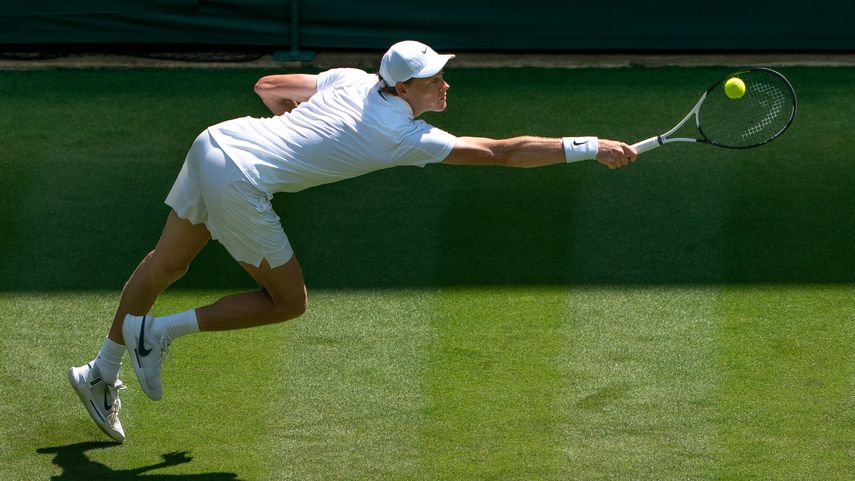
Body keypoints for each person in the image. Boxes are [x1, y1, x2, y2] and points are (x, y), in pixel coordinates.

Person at [68, 40, 637, 442]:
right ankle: (158, 334)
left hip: (217, 142)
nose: (444, 83)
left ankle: (100, 372)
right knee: (288, 302)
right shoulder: (401, 134)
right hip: (240, 178)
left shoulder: (354, 81)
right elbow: (501, 153)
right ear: (405, 86)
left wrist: (311, 132)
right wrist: (590, 145)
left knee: (164, 266)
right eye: (433, 78)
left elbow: (268, 87)